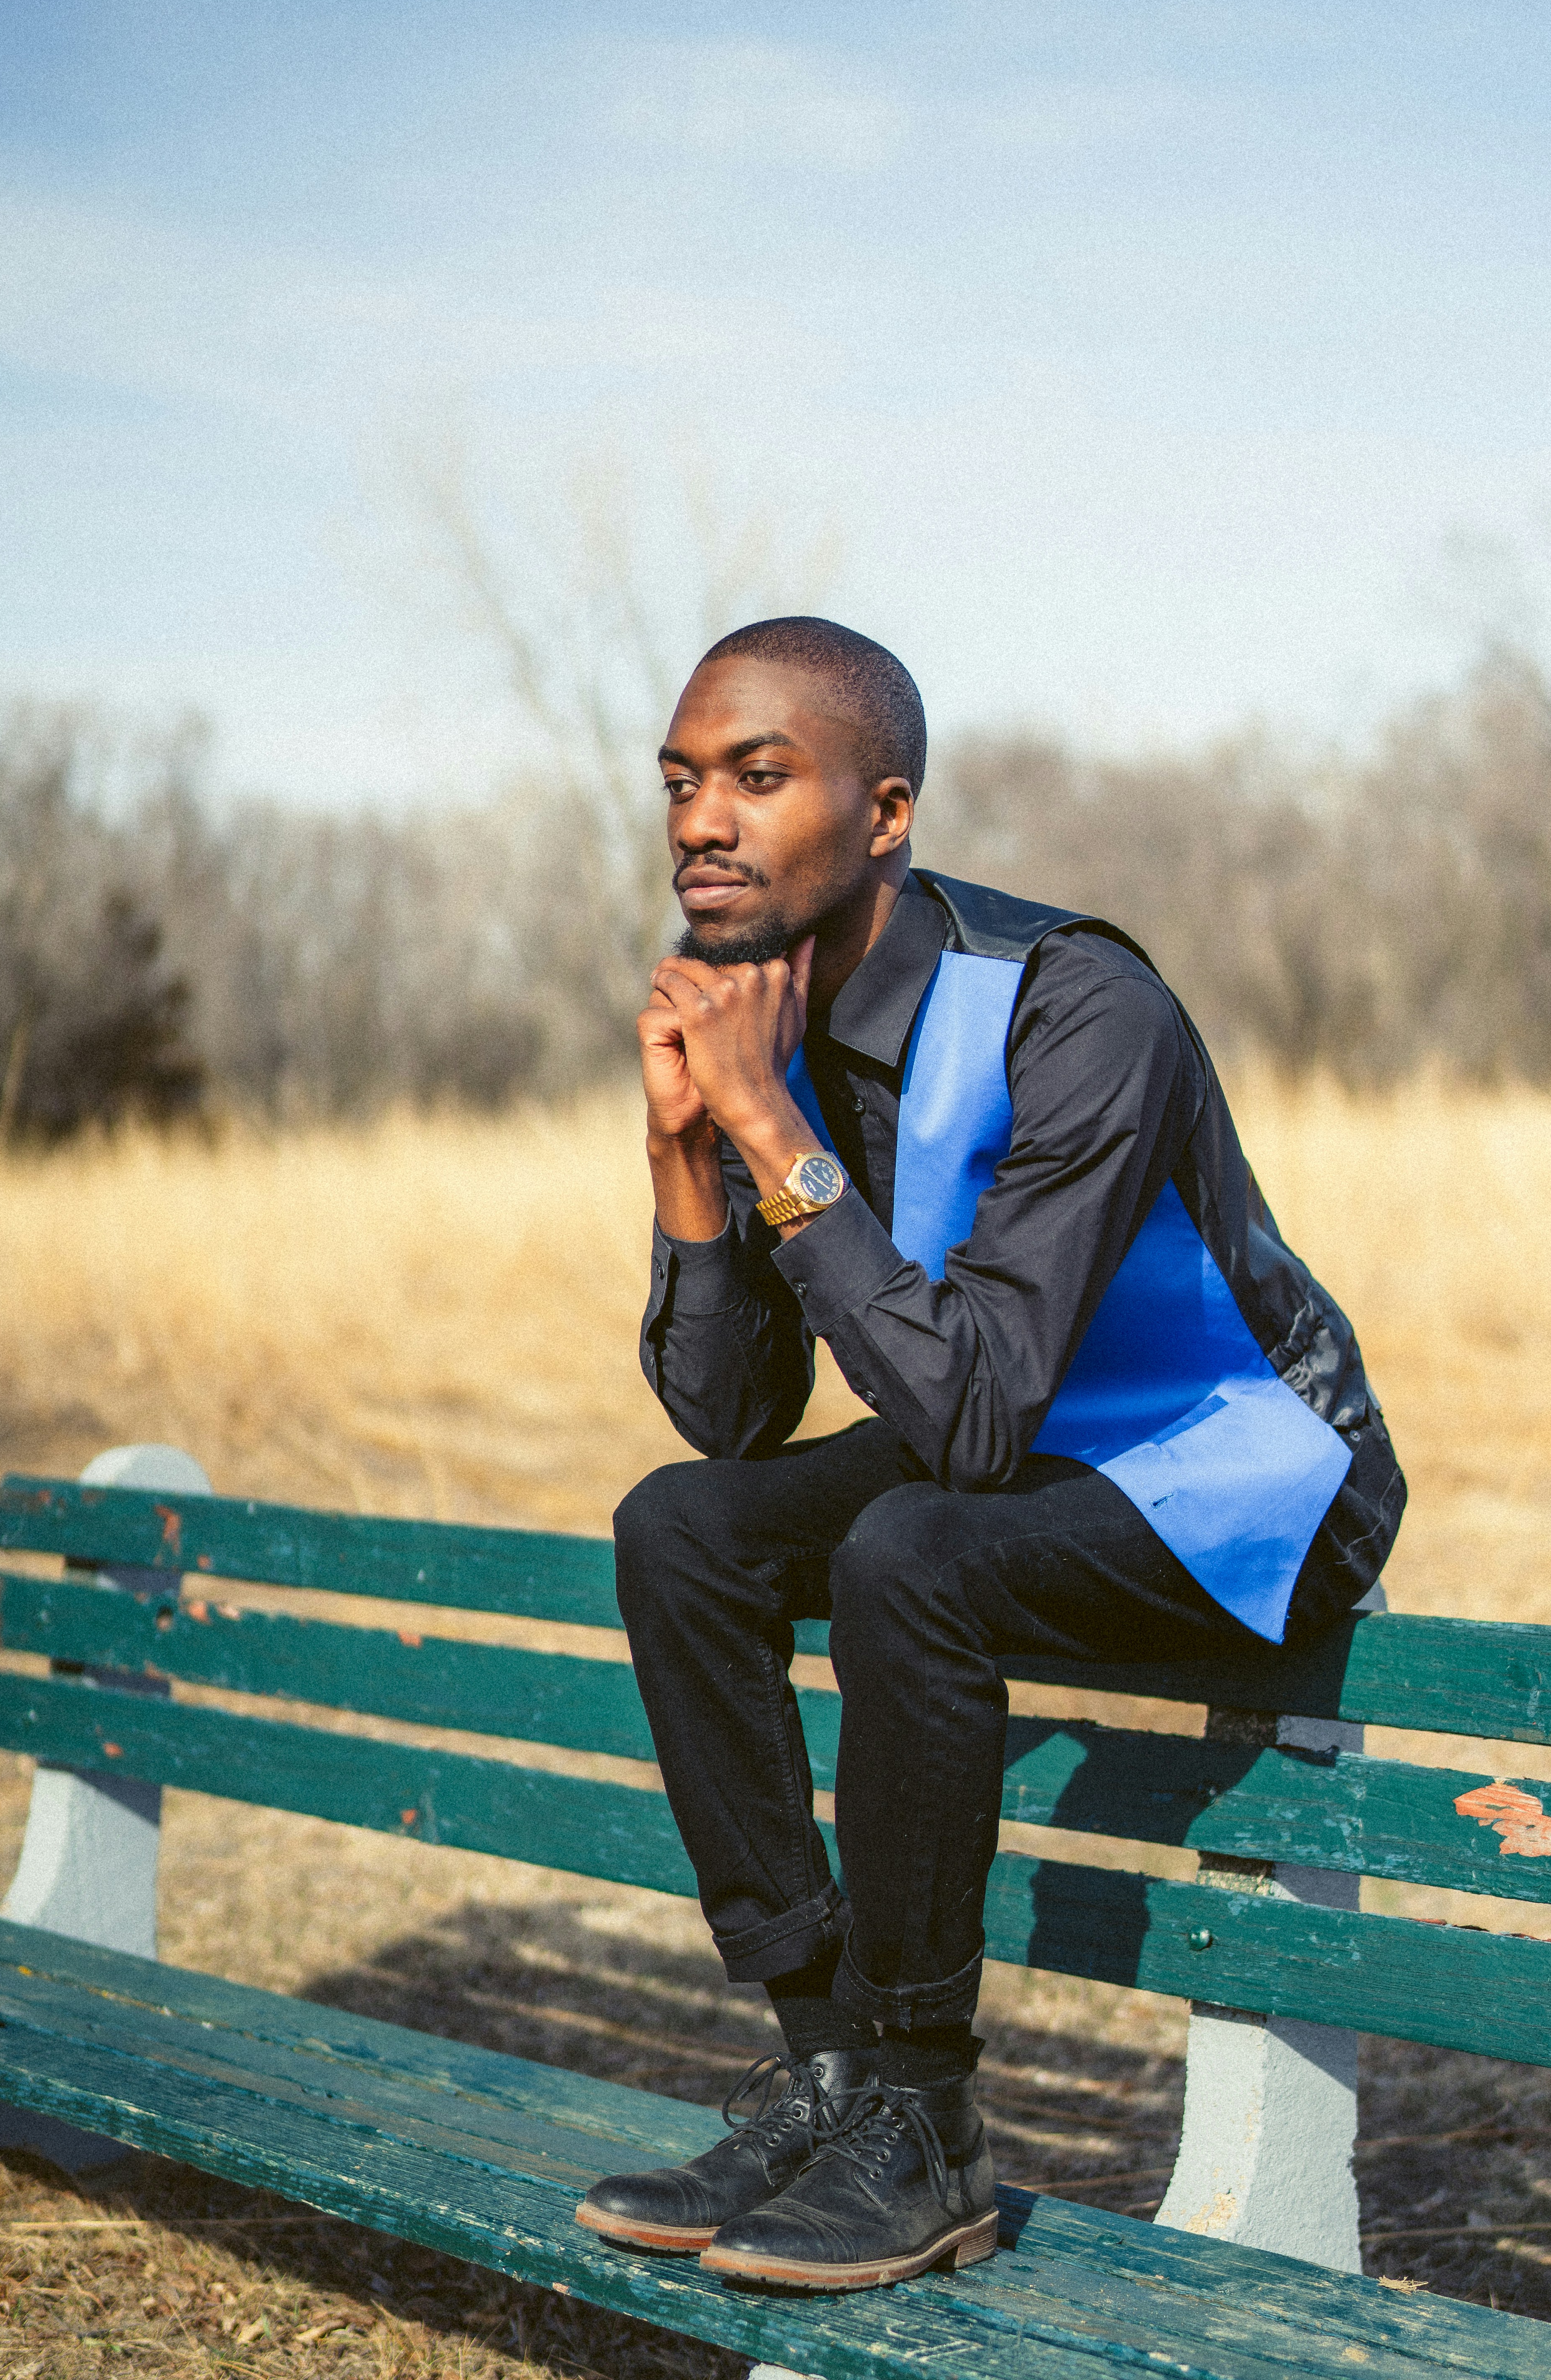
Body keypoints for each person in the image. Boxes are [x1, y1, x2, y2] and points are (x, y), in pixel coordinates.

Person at [577, 618, 1404, 2293]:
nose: (701, 822)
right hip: (1019, 1455)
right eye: (680, 782)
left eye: (757, 776)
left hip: (1251, 1469)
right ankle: (831, 2072)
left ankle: (927, 2115)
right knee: (682, 1528)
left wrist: (770, 1129)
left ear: (886, 812)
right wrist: (684, 1156)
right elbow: (735, 1421)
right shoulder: (760, 1011)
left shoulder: (1078, 1004)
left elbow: (965, 1420)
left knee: (911, 1554)